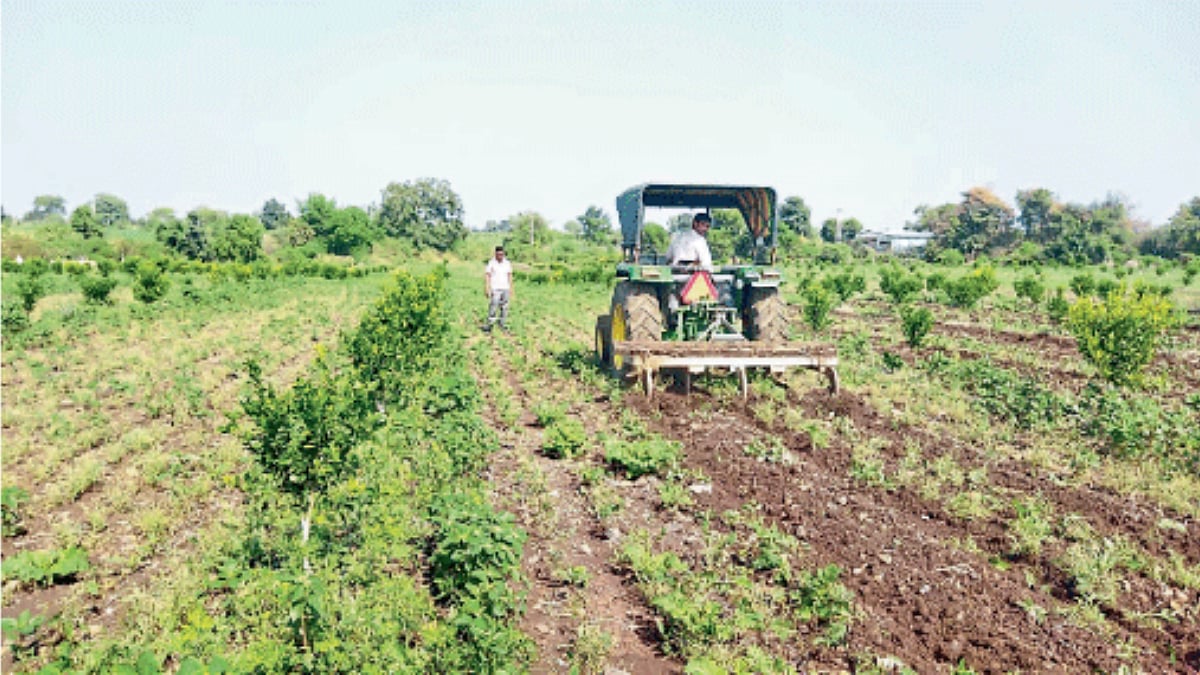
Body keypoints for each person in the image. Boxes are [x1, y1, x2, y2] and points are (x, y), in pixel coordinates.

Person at [484, 245, 513, 332]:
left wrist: (511, 288)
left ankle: (502, 324)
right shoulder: (491, 263)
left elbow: (510, 275)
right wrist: (487, 288)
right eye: (498, 254)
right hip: (495, 288)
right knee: (493, 305)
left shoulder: (507, 263)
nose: (500, 256)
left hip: (505, 288)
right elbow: (487, 275)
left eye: (502, 254)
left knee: (504, 307)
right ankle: (490, 325)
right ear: (495, 254)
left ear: (504, 254)